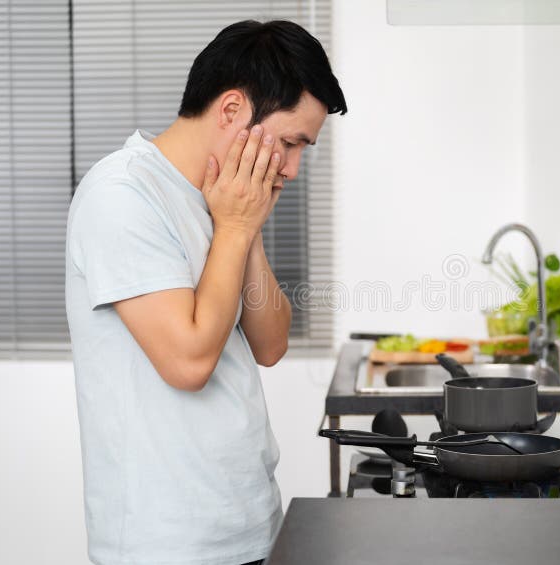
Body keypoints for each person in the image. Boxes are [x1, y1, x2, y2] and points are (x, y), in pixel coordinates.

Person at [65, 20, 346, 565]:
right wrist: (236, 228)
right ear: (232, 110)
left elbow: (270, 344)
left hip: (249, 523)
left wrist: (247, 224)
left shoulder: (224, 201)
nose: (291, 168)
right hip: (166, 542)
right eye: (290, 143)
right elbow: (188, 362)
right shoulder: (121, 195)